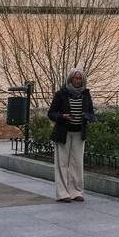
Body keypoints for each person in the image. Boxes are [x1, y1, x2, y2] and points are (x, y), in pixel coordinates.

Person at [47, 68, 95, 202]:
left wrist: (87, 116)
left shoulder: (86, 94)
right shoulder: (61, 94)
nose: (78, 81)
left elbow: (91, 113)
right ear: (70, 79)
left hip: (79, 133)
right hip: (63, 133)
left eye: (80, 78)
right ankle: (62, 193)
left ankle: (76, 192)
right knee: (62, 163)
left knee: (77, 164)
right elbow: (51, 113)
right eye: (75, 78)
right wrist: (62, 116)